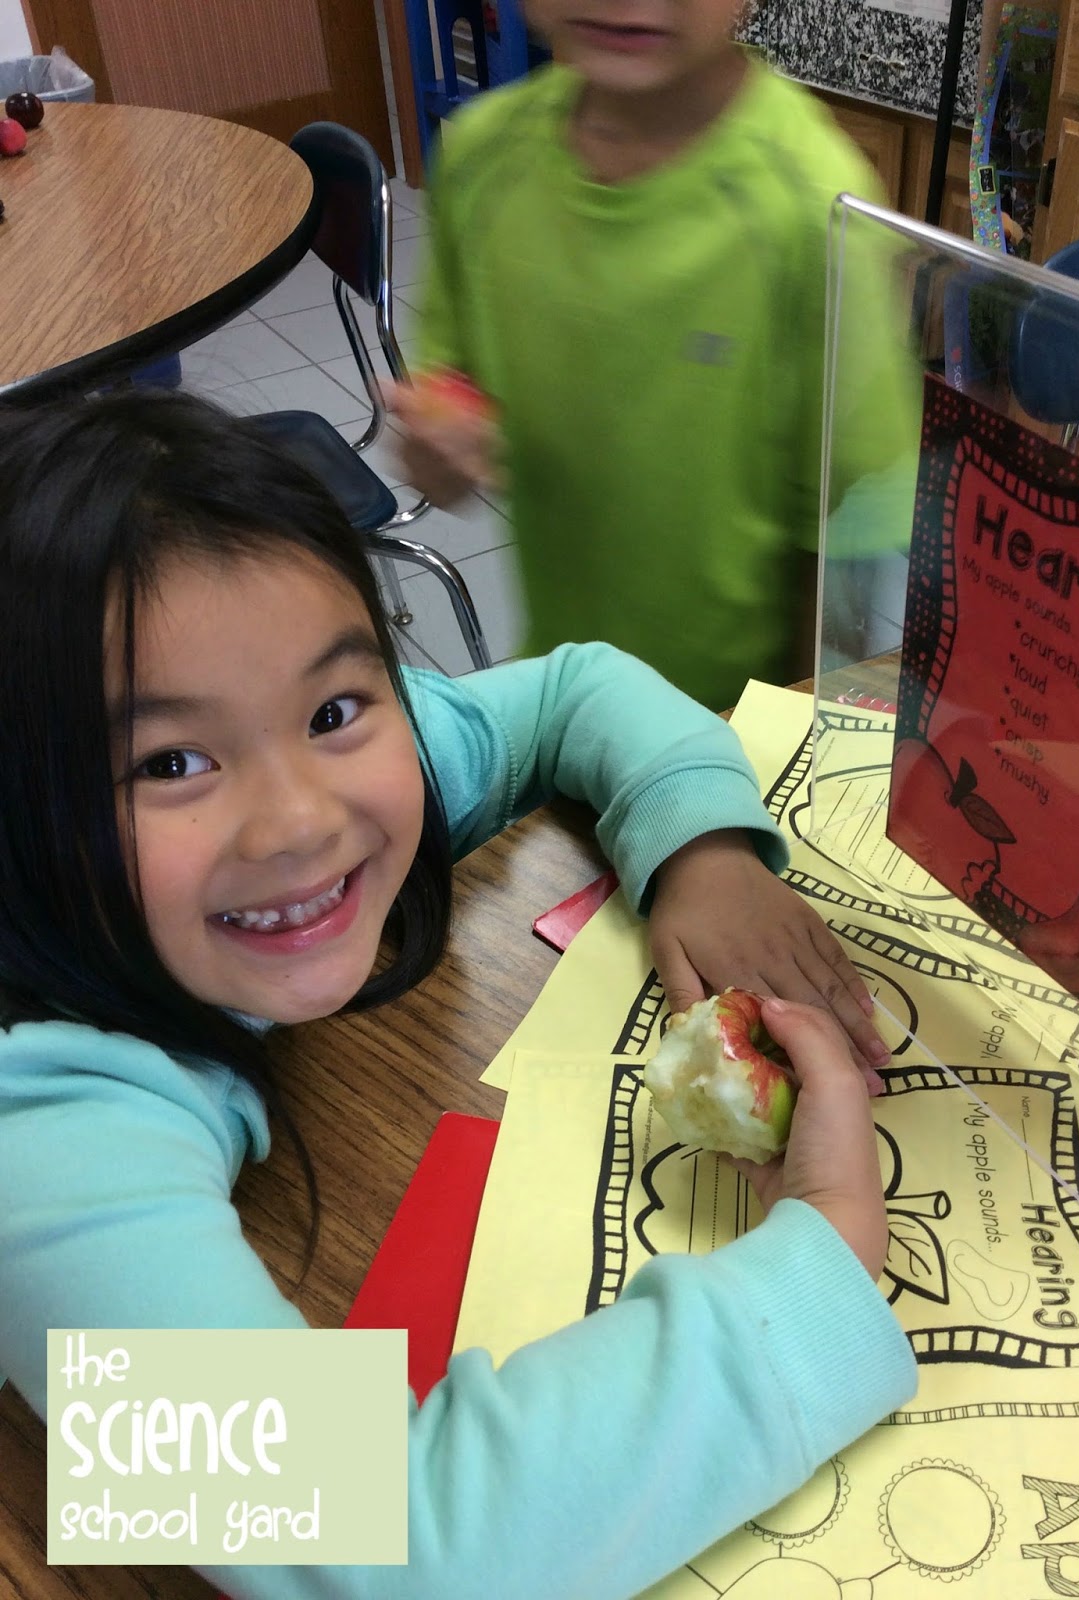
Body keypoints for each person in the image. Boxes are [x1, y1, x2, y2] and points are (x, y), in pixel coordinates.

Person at [0, 392, 916, 1600]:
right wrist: (827, 1260)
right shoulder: (34, 1141)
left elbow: (576, 686)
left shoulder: (366, 764)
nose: (302, 820)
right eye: (170, 761)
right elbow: (385, 1558)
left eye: (333, 707)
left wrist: (702, 848)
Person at [389, 0, 918, 710]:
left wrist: (785, 741)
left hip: (727, 718)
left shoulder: (812, 206)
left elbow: (848, 534)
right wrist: (440, 438)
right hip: (564, 688)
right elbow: (456, 378)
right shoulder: (483, 154)